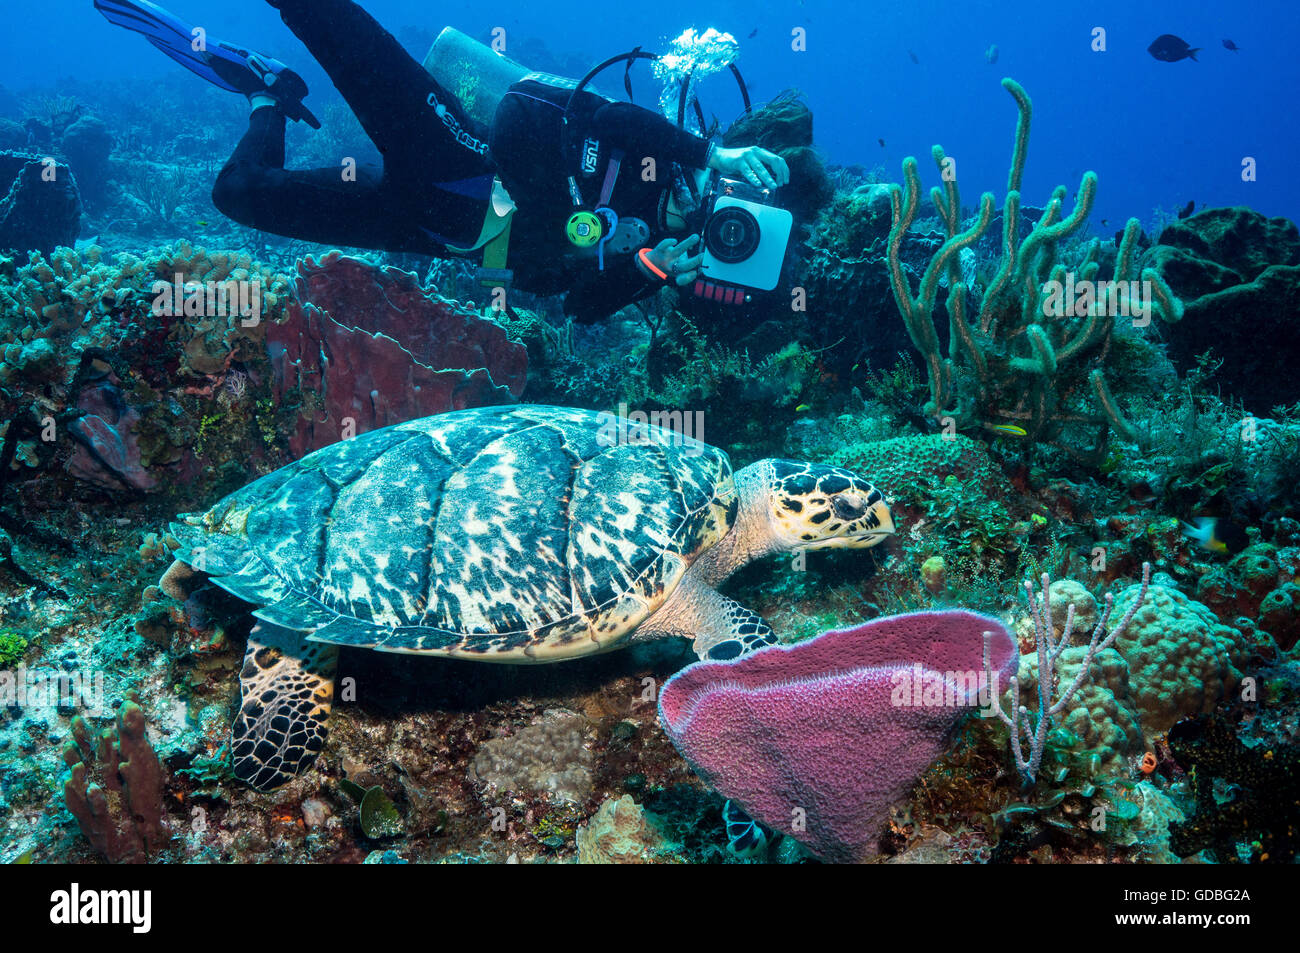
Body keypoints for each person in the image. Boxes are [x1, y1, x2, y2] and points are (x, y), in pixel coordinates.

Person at [96, 0, 791, 322]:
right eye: (715, 189)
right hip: (450, 155)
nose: (696, 213)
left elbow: (573, 302)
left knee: (239, 194)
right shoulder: (648, 145)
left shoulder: (653, 251)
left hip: (427, 229)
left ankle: (264, 90)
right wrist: (706, 149)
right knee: (320, 14)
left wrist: (649, 270)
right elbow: (542, 107)